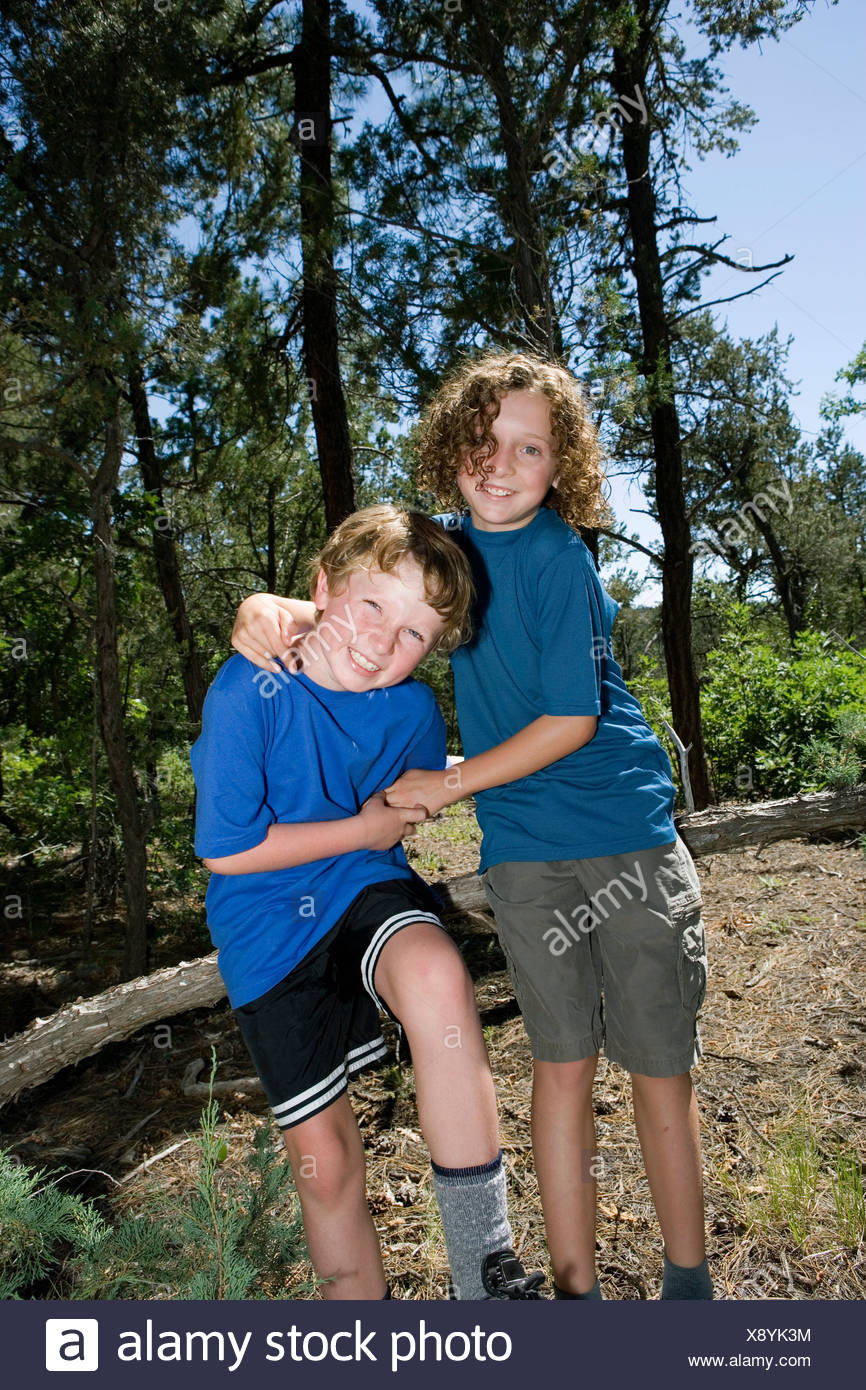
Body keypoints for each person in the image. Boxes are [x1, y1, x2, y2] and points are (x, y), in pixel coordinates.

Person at [230, 355, 712, 1303]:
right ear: (452, 447)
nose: (501, 464)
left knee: (659, 1070)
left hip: (626, 836)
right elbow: (358, 581)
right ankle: (571, 1297)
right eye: (483, 442)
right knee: (560, 1066)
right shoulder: (437, 552)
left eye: (528, 447)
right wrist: (272, 605)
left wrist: (443, 789)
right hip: (525, 858)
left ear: (560, 463)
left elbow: (571, 720)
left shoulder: (560, 556)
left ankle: (688, 1288)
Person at [192, 504, 543, 1302]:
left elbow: (403, 797)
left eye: (417, 633)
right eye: (373, 605)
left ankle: (484, 1267)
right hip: (265, 923)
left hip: (363, 886)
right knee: (327, 1168)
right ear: (322, 589)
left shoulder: (412, 709)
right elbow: (227, 849)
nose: (386, 642)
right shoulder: (250, 689)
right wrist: (364, 826)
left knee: (434, 975)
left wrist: (444, 791)